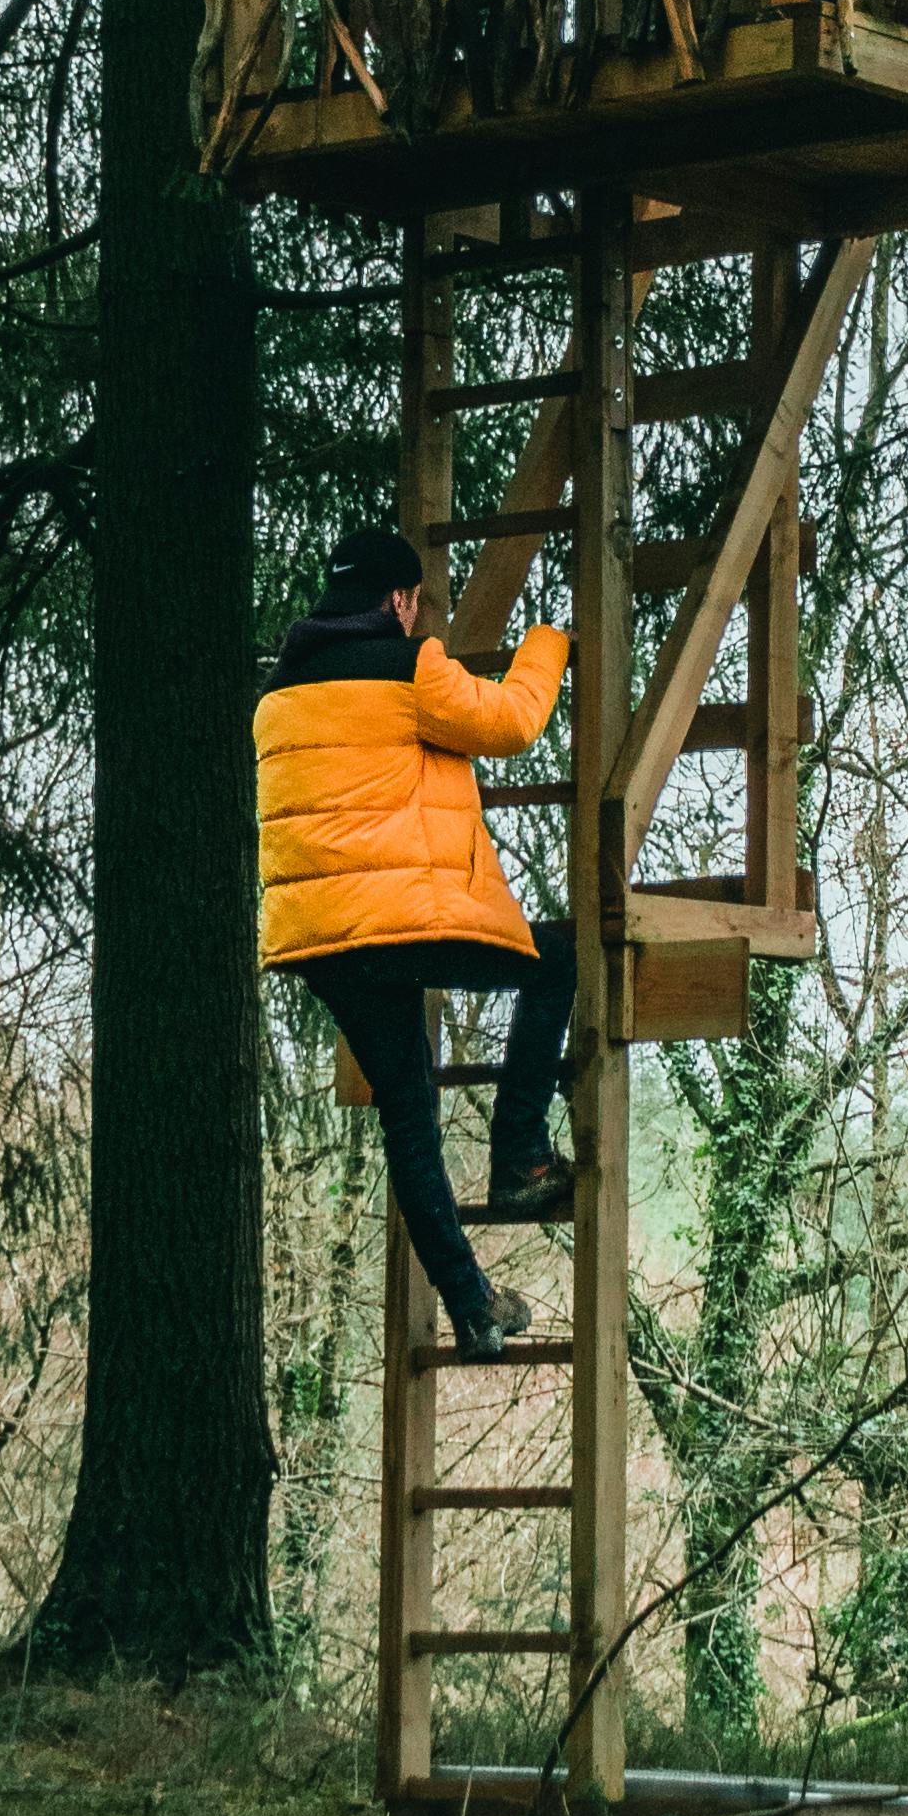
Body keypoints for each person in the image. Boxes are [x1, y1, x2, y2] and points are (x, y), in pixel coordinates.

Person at [255, 513, 575, 1361]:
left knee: (408, 1109)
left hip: (321, 942)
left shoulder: (278, 695)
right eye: (416, 602)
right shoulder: (409, 667)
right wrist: (549, 642)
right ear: (400, 599)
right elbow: (510, 724)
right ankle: (520, 1156)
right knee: (562, 960)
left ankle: (473, 1308)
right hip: (400, 922)